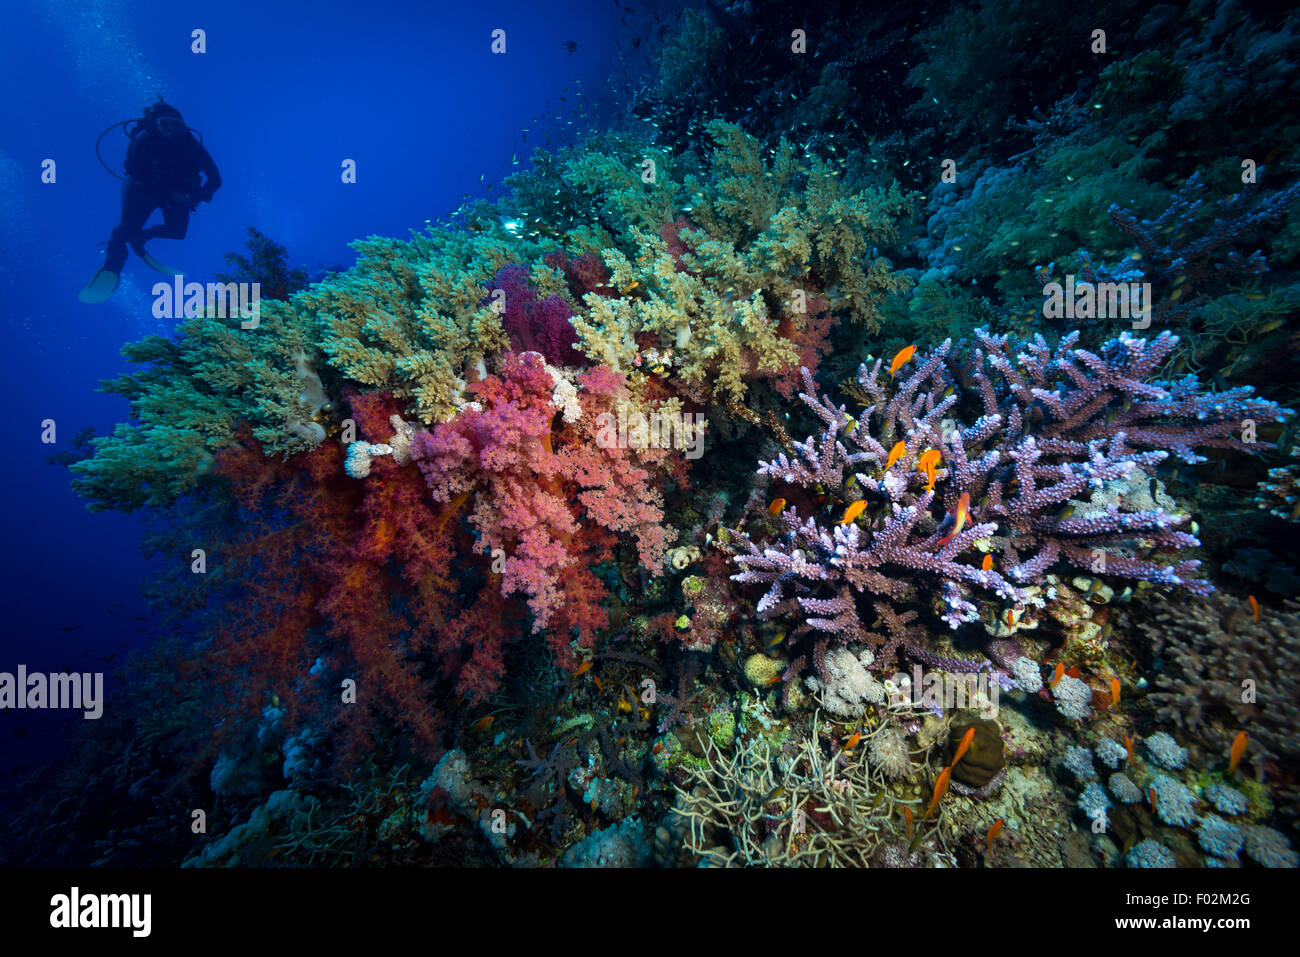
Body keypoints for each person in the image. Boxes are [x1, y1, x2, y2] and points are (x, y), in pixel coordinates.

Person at [80, 100, 221, 302]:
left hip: (178, 192)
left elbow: (216, 178)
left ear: (183, 124)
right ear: (156, 125)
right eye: (165, 123)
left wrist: (197, 197)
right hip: (143, 190)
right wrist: (171, 193)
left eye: (176, 123)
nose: (172, 129)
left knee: (177, 232)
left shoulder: (192, 145)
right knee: (126, 228)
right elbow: (134, 170)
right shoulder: (144, 140)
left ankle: (142, 236)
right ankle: (112, 265)